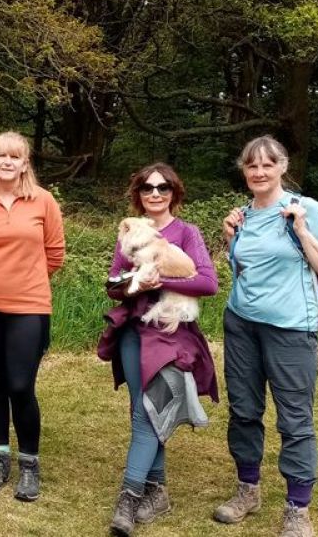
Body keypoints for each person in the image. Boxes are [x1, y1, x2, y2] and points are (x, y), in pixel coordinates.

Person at [216, 136, 318, 537]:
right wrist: (228, 238)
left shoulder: (305, 209)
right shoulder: (242, 216)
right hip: (241, 324)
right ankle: (247, 490)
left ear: (282, 167)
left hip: (291, 328)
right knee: (243, 411)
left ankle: (297, 509)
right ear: (244, 170)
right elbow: (245, 269)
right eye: (252, 166)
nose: (259, 172)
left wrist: (303, 232)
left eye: (267, 165)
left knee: (295, 419)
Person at [97, 162, 219, 535]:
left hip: (170, 332)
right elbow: (114, 283)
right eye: (147, 188)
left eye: (163, 187)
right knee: (143, 408)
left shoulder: (186, 232)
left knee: (148, 414)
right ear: (138, 194)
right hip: (135, 330)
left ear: (173, 193)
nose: (154, 193)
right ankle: (157, 489)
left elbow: (208, 282)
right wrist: (134, 282)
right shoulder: (131, 232)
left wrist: (159, 279)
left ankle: (129, 497)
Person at [0, 132, 64, 501]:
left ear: (25, 163)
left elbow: (55, 253)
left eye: (14, 156)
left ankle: (30, 464)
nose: (7, 161)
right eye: (1, 155)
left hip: (29, 307)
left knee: (21, 385)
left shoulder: (43, 201)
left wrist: (24, 281)